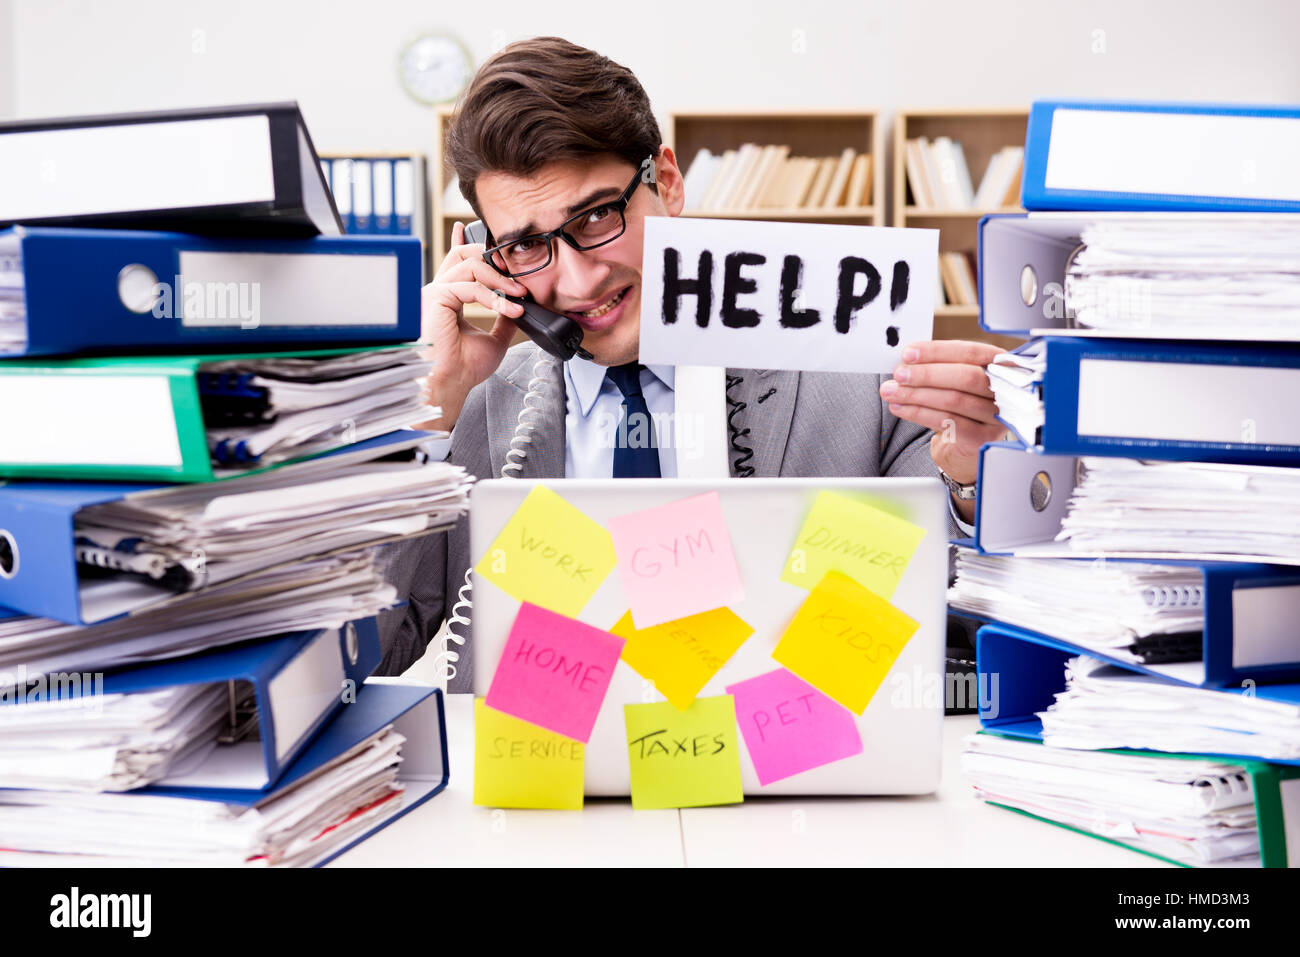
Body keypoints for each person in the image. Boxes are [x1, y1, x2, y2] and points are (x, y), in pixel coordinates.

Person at [375, 36, 1005, 683]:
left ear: (667, 184)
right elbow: (341, 658)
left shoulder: (859, 377)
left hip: (797, 769)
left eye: (595, 217)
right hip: (548, 778)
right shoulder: (467, 414)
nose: (577, 281)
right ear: (488, 259)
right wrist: (426, 408)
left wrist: (969, 481)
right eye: (527, 245)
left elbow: (972, 623)